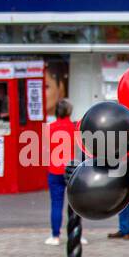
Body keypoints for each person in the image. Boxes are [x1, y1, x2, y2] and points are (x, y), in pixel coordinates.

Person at [45, 100, 78, 246]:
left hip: (54, 169)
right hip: (71, 169)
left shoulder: (49, 128)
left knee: (56, 203)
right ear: (69, 112)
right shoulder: (74, 128)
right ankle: (76, 233)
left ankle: (55, 235)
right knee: (75, 203)